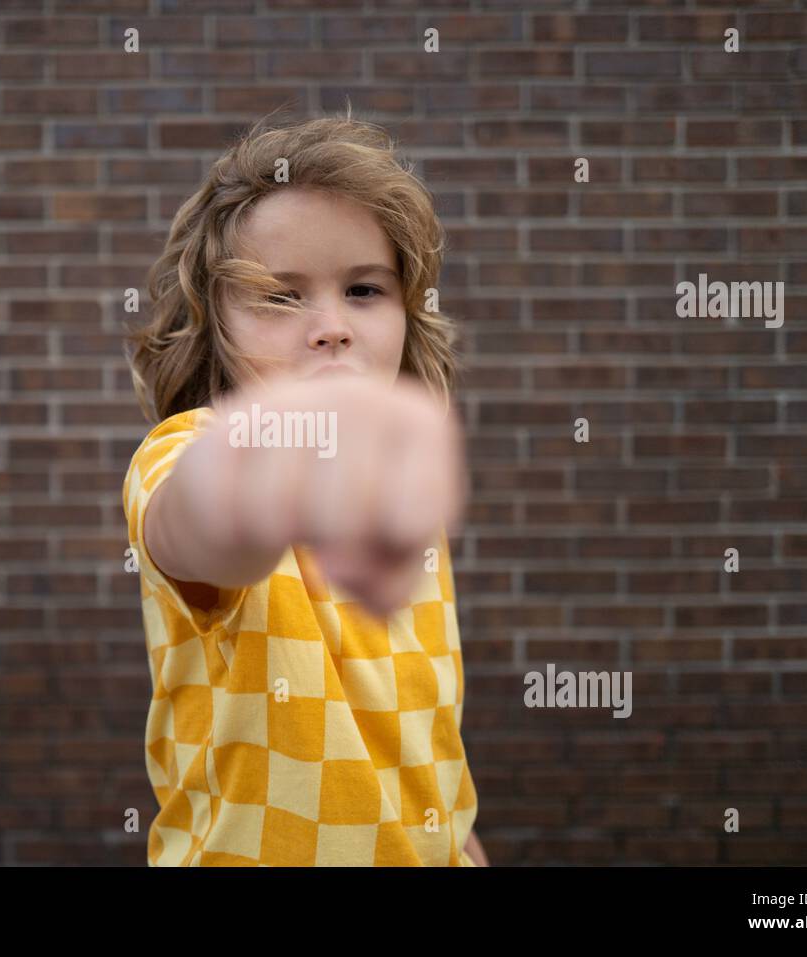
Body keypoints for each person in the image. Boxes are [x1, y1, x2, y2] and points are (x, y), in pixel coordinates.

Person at [121, 107, 487, 867]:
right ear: (212, 326)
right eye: (281, 297)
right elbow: (202, 523)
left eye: (363, 290)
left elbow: (418, 747)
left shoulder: (403, 501)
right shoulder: (185, 455)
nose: (330, 326)